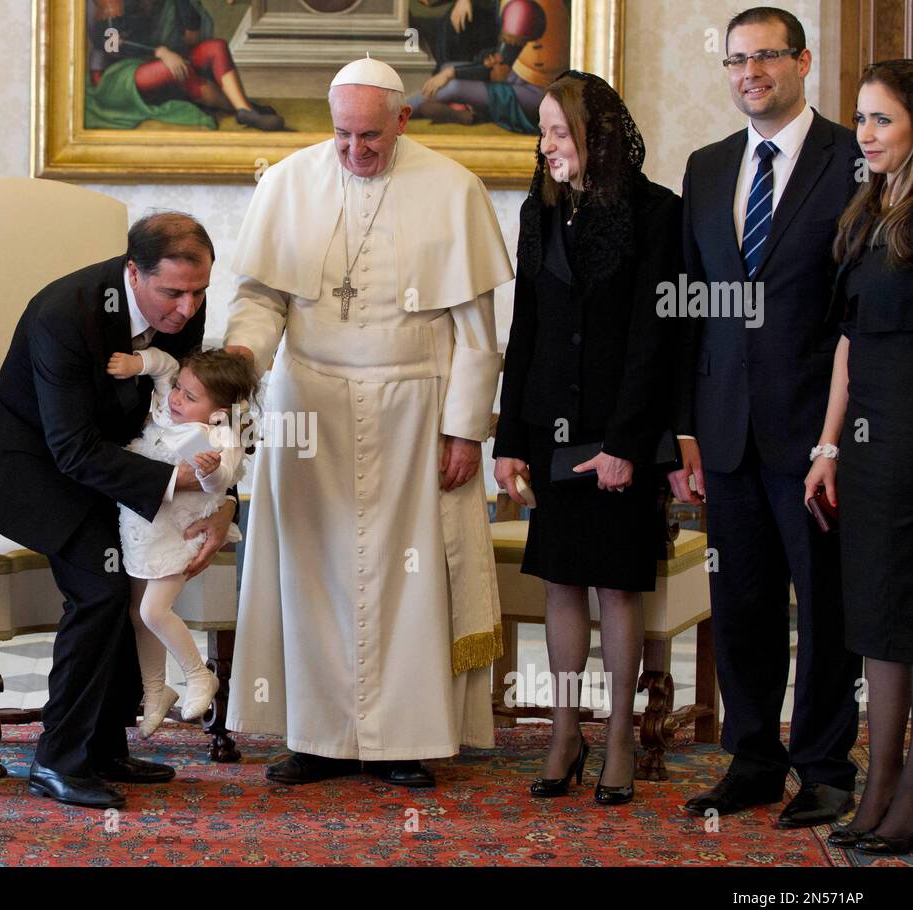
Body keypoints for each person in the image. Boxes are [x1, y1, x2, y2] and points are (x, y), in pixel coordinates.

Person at [223, 56, 512, 788]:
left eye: (372, 139)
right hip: (308, 407)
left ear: (404, 119)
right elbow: (261, 300)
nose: (356, 153)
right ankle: (317, 737)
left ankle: (404, 739)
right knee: (312, 570)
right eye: (344, 136)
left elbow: (476, 327)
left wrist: (464, 429)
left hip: (413, 407)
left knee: (408, 578)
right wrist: (239, 360)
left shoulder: (452, 189)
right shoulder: (289, 182)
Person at [0, 212, 236, 810]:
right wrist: (177, 483)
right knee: (100, 586)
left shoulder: (179, 308)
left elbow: (190, 415)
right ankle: (57, 760)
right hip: (31, 465)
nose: (188, 310)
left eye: (200, 292)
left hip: (117, 464)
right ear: (132, 272)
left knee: (132, 575)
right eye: (173, 293)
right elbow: (70, 448)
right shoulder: (64, 313)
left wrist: (222, 503)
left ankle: (104, 746)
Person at [671, 7, 863, 827]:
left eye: (767, 57)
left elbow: (861, 306)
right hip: (725, 429)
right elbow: (689, 305)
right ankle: (752, 758)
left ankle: (824, 767)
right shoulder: (708, 167)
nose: (750, 72)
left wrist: (836, 437)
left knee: (824, 611)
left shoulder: (854, 159)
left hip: (817, 432)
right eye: (736, 60)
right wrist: (685, 432)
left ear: (804, 61)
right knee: (741, 602)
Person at [493, 71, 681, 805]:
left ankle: (622, 738)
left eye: (559, 132)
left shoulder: (655, 211)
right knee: (562, 580)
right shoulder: (538, 211)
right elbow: (526, 328)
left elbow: (655, 337)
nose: (546, 146)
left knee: (616, 584)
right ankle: (564, 731)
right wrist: (509, 440)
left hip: (617, 431)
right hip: (549, 427)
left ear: (597, 136)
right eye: (542, 132)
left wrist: (628, 444)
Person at [807, 59, 913, 855]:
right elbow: (847, 339)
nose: (864, 134)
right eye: (861, 119)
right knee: (876, 619)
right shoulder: (868, 209)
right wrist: (828, 445)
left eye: (880, 119)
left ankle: (904, 794)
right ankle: (877, 785)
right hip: (873, 445)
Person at [105, 346, 255, 737]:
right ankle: (156, 690)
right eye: (178, 389)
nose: (176, 398)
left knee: (156, 611)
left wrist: (207, 473)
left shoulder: (220, 435)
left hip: (177, 536)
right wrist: (139, 364)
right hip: (141, 531)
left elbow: (223, 481)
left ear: (220, 410)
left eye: (190, 398)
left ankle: (197, 675)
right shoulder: (167, 410)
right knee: (139, 615)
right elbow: (165, 365)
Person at [85, 0, 283, 131]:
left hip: (158, 61)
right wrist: (159, 52)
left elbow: (192, 38)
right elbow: (109, 43)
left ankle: (244, 110)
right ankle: (244, 108)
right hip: (117, 75)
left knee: (216, 47)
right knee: (177, 70)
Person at [410, 0, 569, 132]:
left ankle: (402, 111)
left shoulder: (521, 8)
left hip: (537, 95)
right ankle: (469, 114)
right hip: (520, 75)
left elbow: (499, 73)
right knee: (449, 69)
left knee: (453, 85)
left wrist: (451, 73)